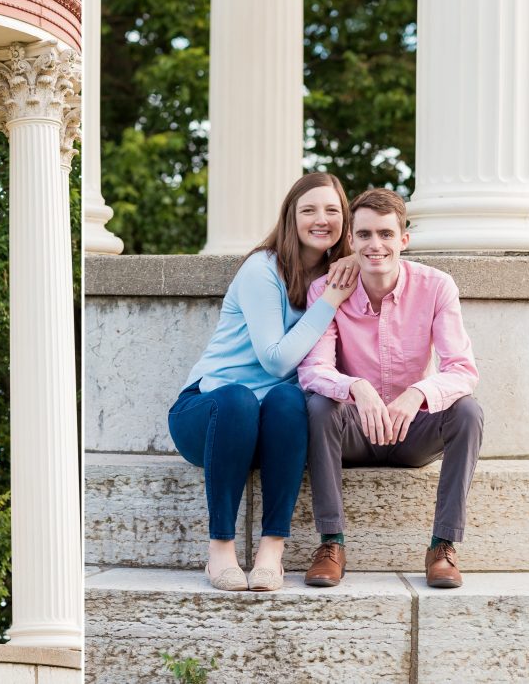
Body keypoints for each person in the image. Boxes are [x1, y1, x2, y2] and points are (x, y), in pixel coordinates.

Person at [168, 173, 359, 591]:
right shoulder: (263, 269)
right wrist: (330, 301)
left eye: (332, 210)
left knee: (290, 399)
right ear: (290, 217)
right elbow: (275, 359)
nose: (321, 219)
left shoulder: (337, 275)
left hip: (271, 425)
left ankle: (272, 549)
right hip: (208, 414)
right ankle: (220, 549)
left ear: (345, 219)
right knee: (239, 397)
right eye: (308, 209)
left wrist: (358, 260)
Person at [298, 188, 484, 589]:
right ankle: (331, 543)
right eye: (364, 235)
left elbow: (462, 369)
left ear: (404, 240)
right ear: (350, 240)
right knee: (317, 406)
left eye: (385, 234)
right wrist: (358, 387)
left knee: (468, 411)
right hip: (356, 431)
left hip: (412, 431)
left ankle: (443, 546)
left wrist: (418, 393)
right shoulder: (327, 289)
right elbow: (313, 370)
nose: (375, 244)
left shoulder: (436, 287)